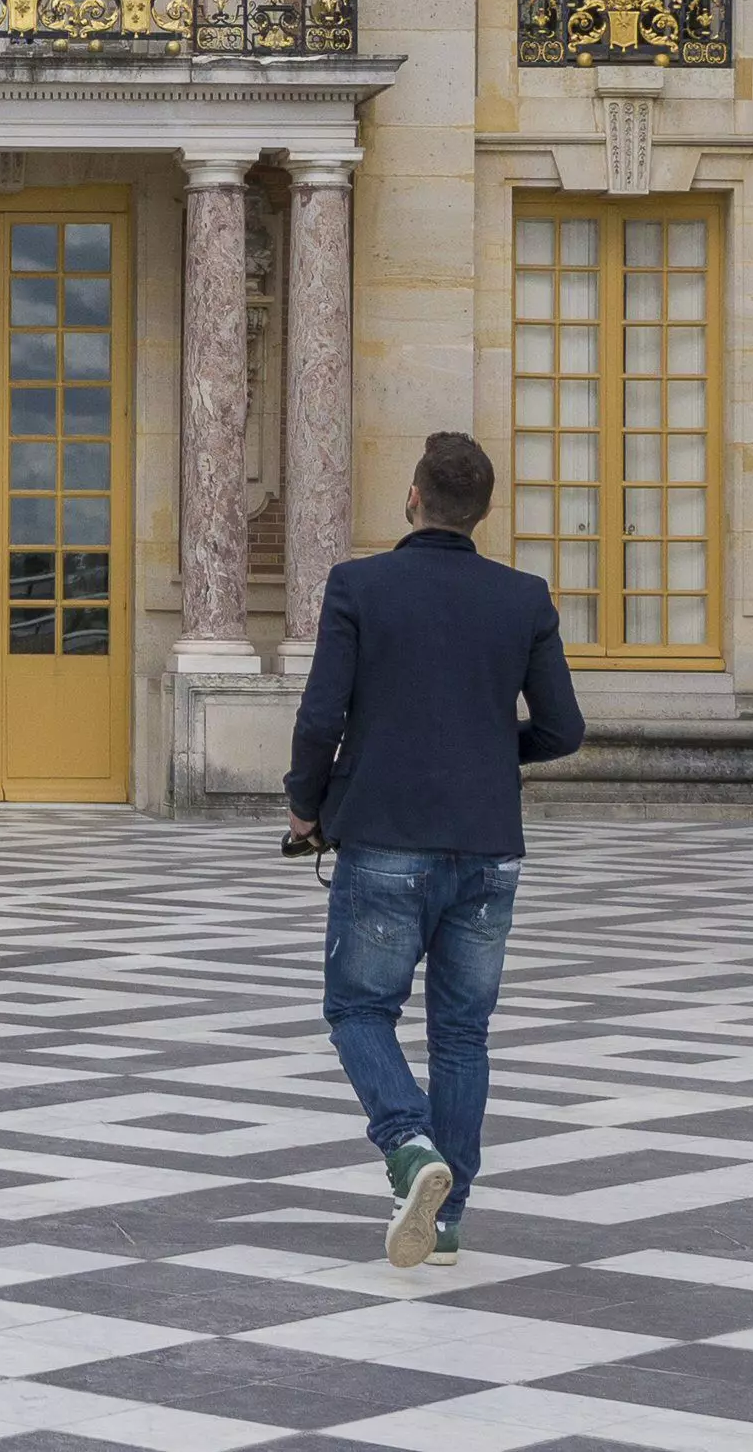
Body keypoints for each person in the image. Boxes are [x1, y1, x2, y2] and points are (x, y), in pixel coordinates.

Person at [284, 428, 583, 1270]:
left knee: (357, 1010)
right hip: (489, 846)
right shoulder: (522, 596)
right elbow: (563, 728)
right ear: (482, 511)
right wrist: (488, 752)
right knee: (462, 1033)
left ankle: (410, 1147)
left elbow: (319, 719)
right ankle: (447, 1223)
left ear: (412, 497)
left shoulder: (360, 585)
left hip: (384, 836)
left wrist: (306, 808)